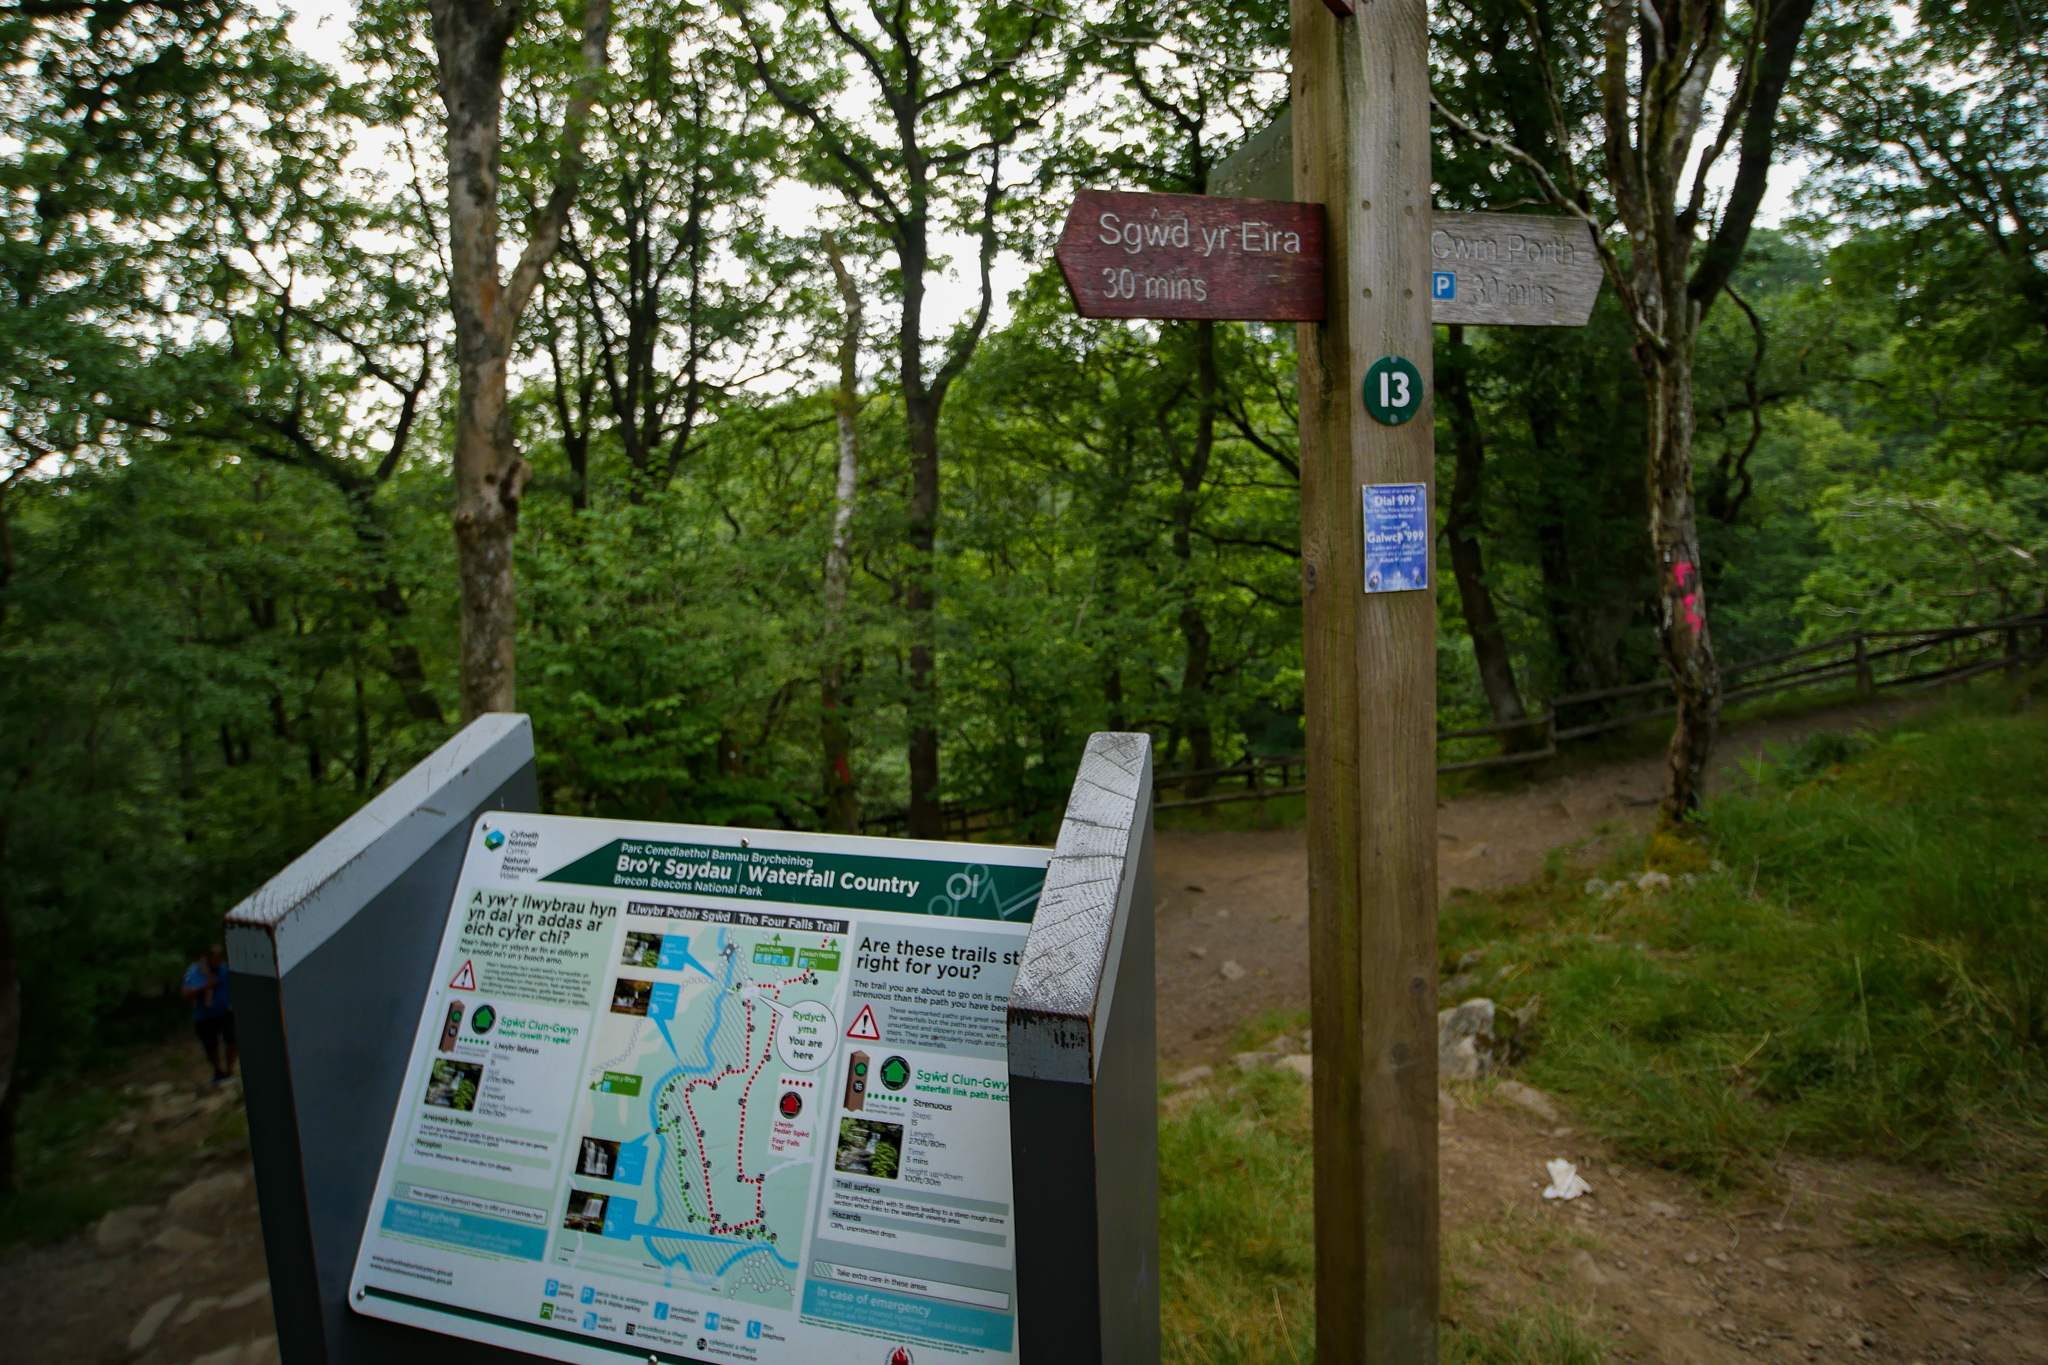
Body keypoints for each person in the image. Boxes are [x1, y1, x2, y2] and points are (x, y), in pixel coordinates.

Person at [182, 944, 236, 1084]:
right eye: (214, 957)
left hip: (225, 1011)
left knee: (231, 1038)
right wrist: (204, 987)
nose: (217, 960)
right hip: (204, 1015)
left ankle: (230, 1069)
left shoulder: (226, 969)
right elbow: (186, 992)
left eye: (220, 957)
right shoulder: (195, 972)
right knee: (211, 1046)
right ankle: (218, 1070)